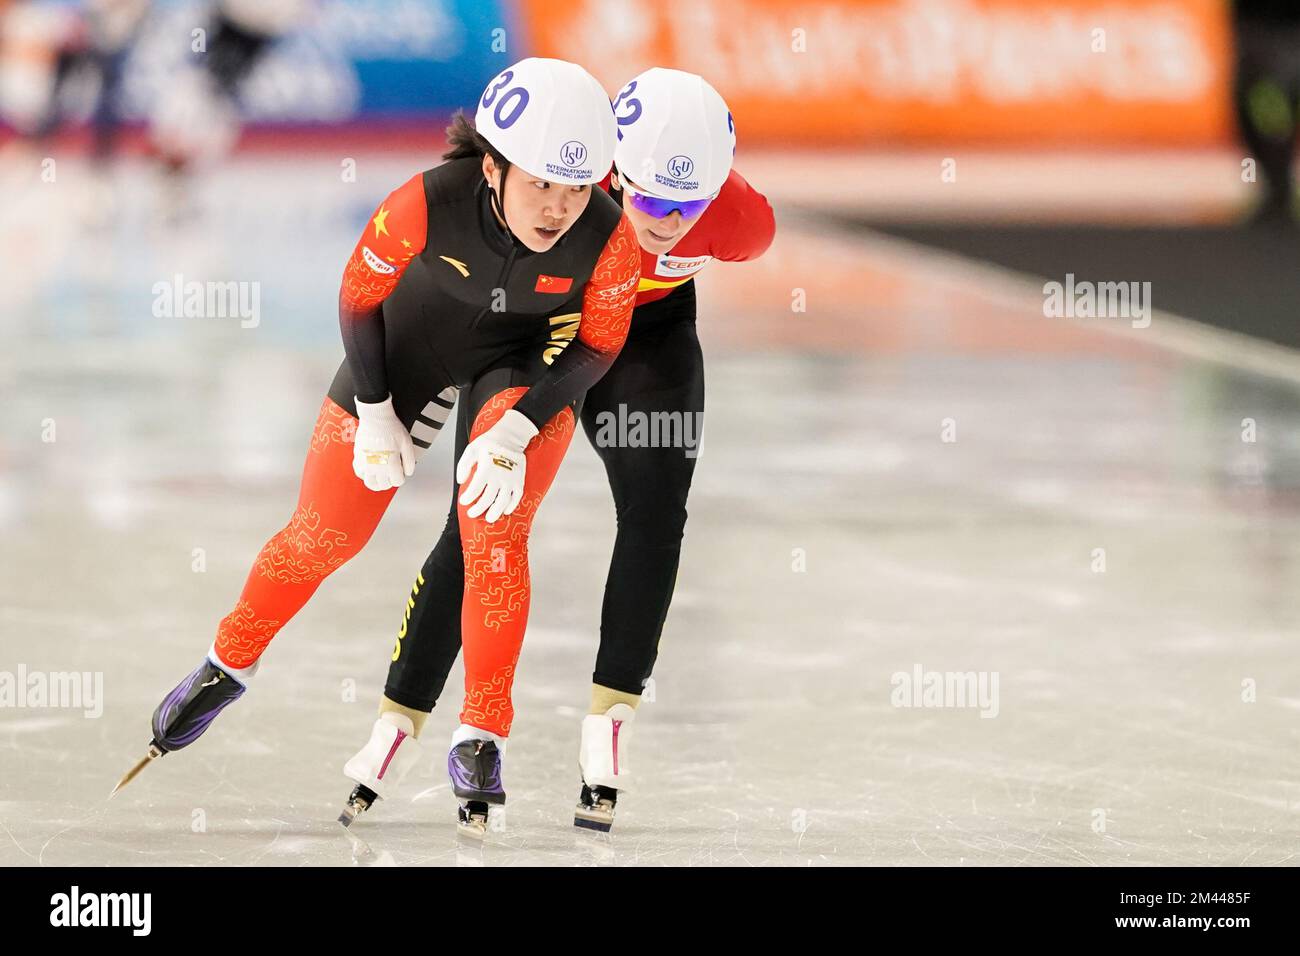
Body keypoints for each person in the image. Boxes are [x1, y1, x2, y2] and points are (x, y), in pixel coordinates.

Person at [116, 59, 641, 818]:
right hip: (405, 352)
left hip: (527, 369)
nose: (560, 207)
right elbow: (359, 299)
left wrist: (518, 427)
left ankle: (482, 733)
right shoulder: (422, 202)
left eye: (578, 187)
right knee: (324, 534)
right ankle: (225, 664)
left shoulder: (609, 236)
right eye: (541, 184)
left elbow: (598, 345)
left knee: (494, 533)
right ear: (492, 167)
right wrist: (374, 409)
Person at [340, 68, 775, 833]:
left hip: (647, 338)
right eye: (648, 200)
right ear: (611, 172)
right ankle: (399, 720)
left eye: (690, 206)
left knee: (656, 512)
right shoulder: (566, 182)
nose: (669, 223)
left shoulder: (745, 224)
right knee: (479, 519)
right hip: (552, 336)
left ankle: (611, 722)